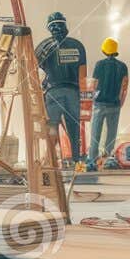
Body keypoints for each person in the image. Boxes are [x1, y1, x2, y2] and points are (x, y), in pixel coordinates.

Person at [36, 11, 88, 165]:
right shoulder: (78, 46)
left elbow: (33, 70)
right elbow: (83, 75)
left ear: (49, 28)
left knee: (52, 125)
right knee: (74, 127)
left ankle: (50, 159)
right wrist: (84, 98)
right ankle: (76, 161)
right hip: (73, 92)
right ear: (65, 25)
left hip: (53, 92)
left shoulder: (44, 46)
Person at [88, 38, 129, 165]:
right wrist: (121, 101)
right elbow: (124, 86)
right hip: (114, 104)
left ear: (104, 50)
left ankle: (92, 159)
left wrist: (92, 100)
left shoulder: (99, 65)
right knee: (111, 133)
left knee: (95, 132)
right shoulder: (122, 66)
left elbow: (94, 85)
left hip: (99, 103)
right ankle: (108, 158)